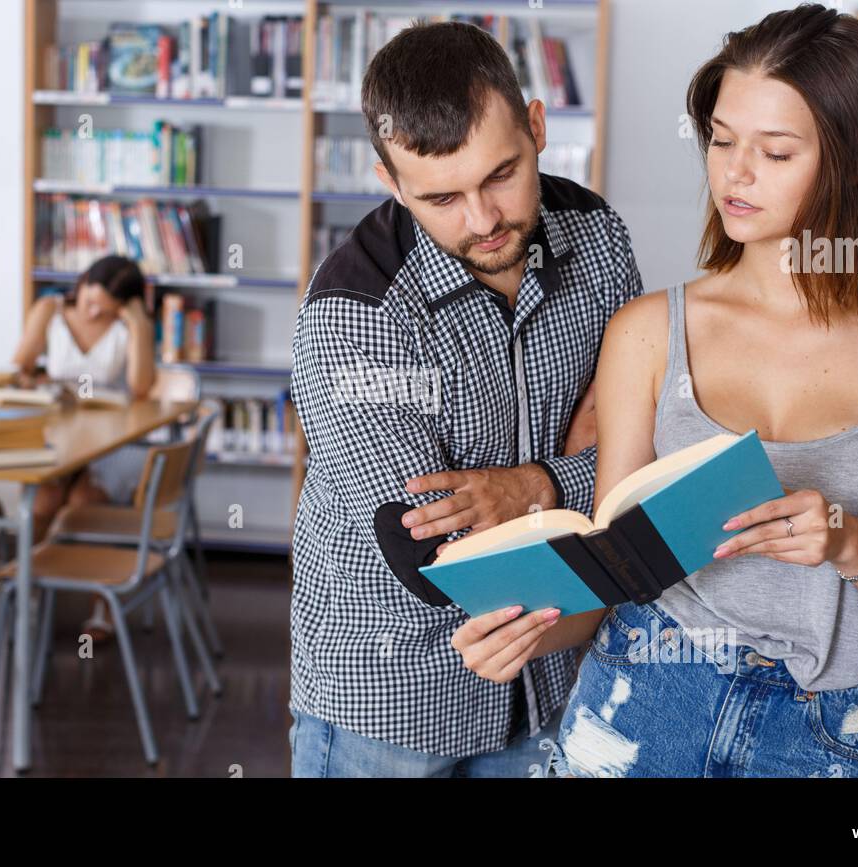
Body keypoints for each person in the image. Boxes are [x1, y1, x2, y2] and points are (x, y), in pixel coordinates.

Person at [452, 4, 858, 778]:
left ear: (852, 160)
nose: (733, 174)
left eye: (775, 153)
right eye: (720, 140)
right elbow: (614, 571)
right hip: (640, 699)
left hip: (829, 729)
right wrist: (522, 631)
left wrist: (851, 544)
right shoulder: (647, 331)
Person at [288, 21, 644, 777]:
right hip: (388, 709)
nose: (482, 220)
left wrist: (530, 487)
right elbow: (431, 555)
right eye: (441, 198)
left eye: (501, 175)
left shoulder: (601, 239)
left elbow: (646, 444)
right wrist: (592, 474)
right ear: (390, 181)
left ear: (538, 128)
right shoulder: (357, 311)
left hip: (550, 683)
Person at [10, 254, 155, 637]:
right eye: (90, 302)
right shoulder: (50, 309)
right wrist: (32, 369)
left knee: (85, 503)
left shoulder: (128, 326)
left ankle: (101, 608)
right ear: (82, 282)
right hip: (62, 431)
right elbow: (20, 365)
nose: (93, 314)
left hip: (113, 439)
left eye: (105, 310)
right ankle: (30, 592)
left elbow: (141, 388)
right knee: (42, 502)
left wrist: (139, 324)